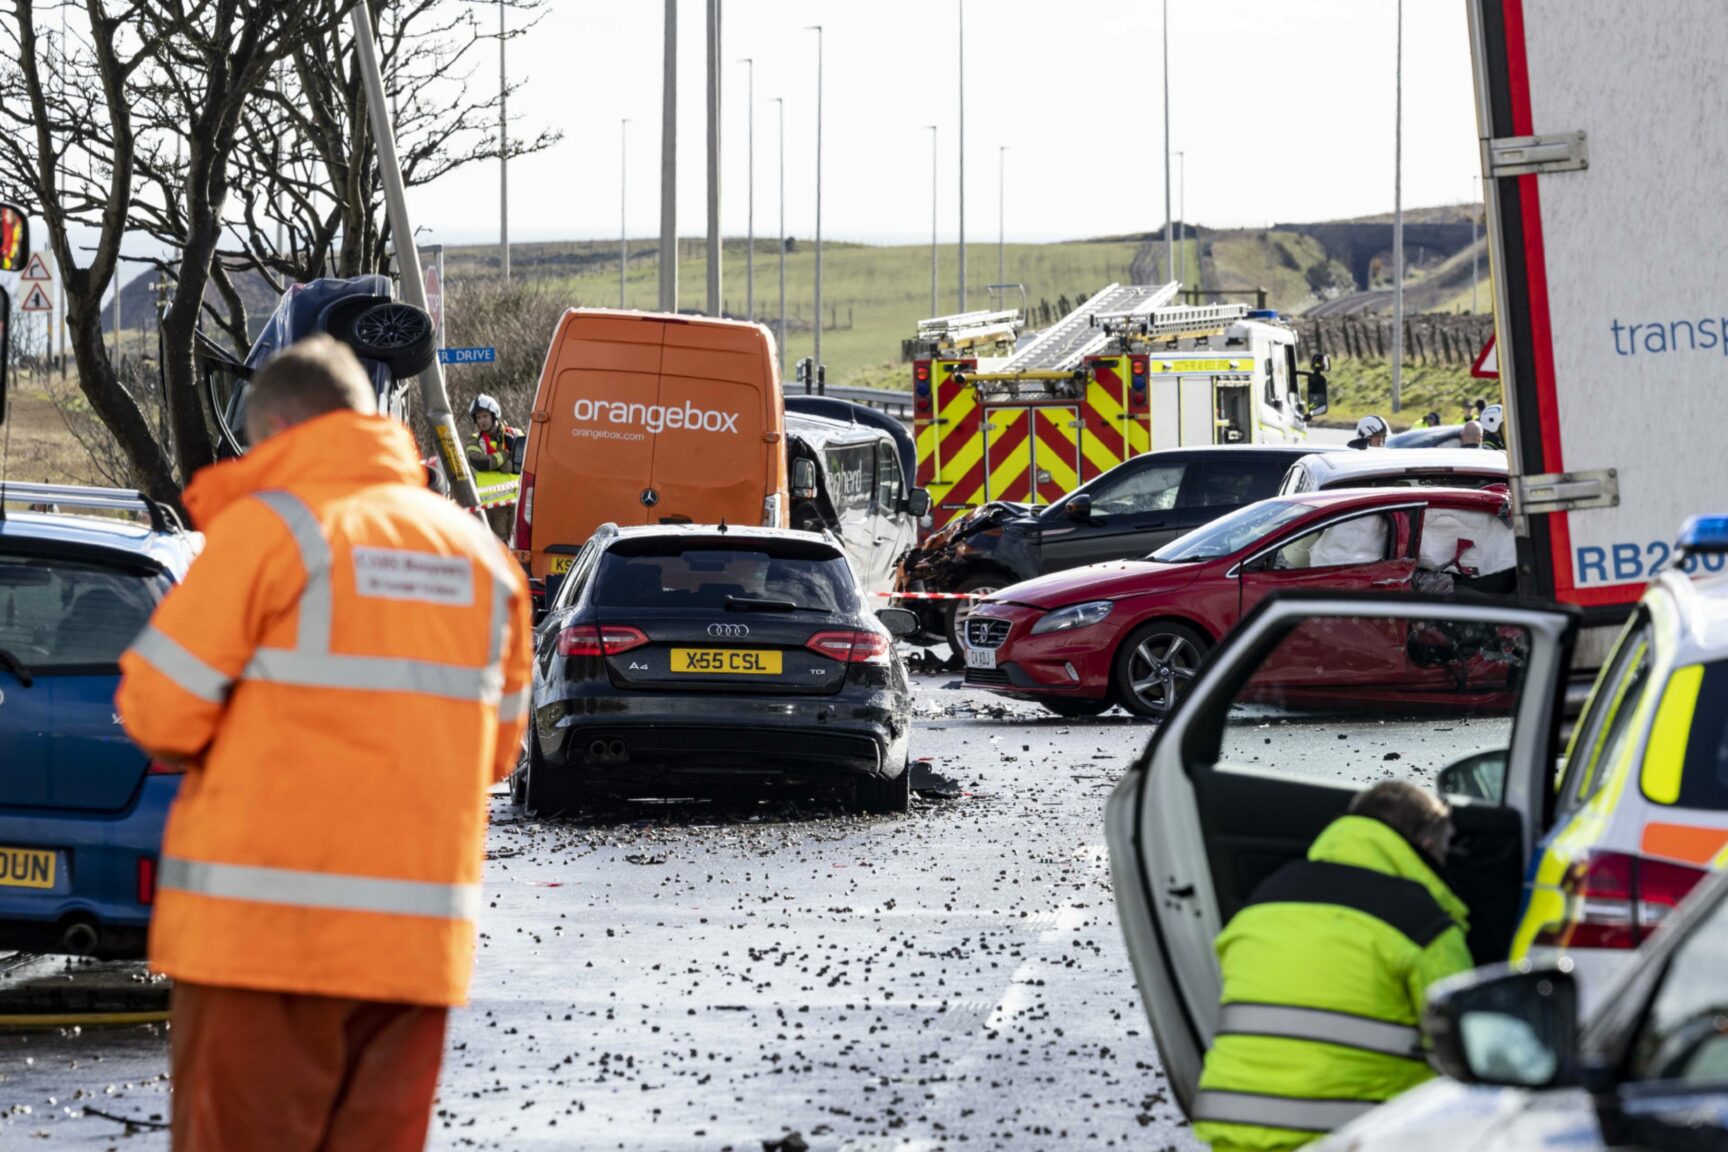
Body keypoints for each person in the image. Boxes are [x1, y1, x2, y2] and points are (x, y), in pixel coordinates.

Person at [116, 335, 532, 1152]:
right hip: (411, 961)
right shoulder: (485, 565)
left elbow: (157, 713)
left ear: (274, 430)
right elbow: (495, 758)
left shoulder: (273, 533)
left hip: (261, 946)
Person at [1191, 781, 1471, 1152]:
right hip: (1354, 1135)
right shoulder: (1423, 924)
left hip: (1235, 1129)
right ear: (1427, 846)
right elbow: (1465, 1051)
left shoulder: (1264, 901)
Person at [466, 393, 521, 541]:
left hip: (516, 501)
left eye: (484, 416)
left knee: (517, 545)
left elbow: (525, 457)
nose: (481, 421)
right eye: (478, 418)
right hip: (492, 506)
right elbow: (480, 462)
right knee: (497, 547)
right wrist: (505, 456)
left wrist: (506, 459)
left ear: (494, 414)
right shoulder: (474, 440)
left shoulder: (515, 434)